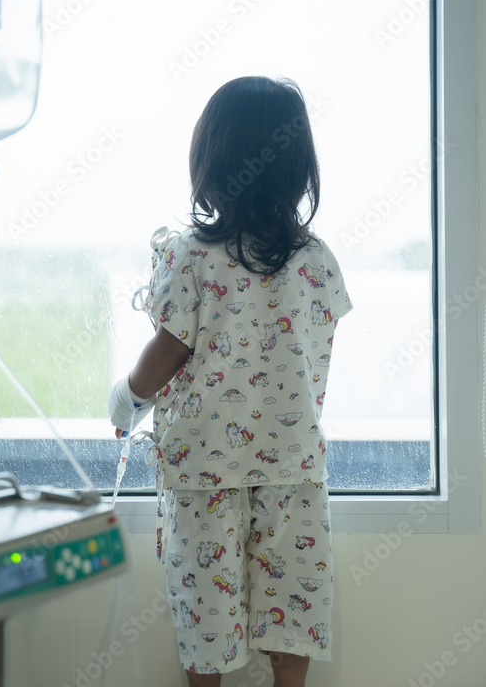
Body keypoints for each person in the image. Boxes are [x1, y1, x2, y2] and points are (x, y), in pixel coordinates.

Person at [108, 76, 352, 687]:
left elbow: (169, 349)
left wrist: (128, 398)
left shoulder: (191, 255)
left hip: (204, 472)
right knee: (292, 609)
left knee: (206, 620)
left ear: (210, 163)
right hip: (293, 464)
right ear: (299, 171)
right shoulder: (317, 259)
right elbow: (314, 352)